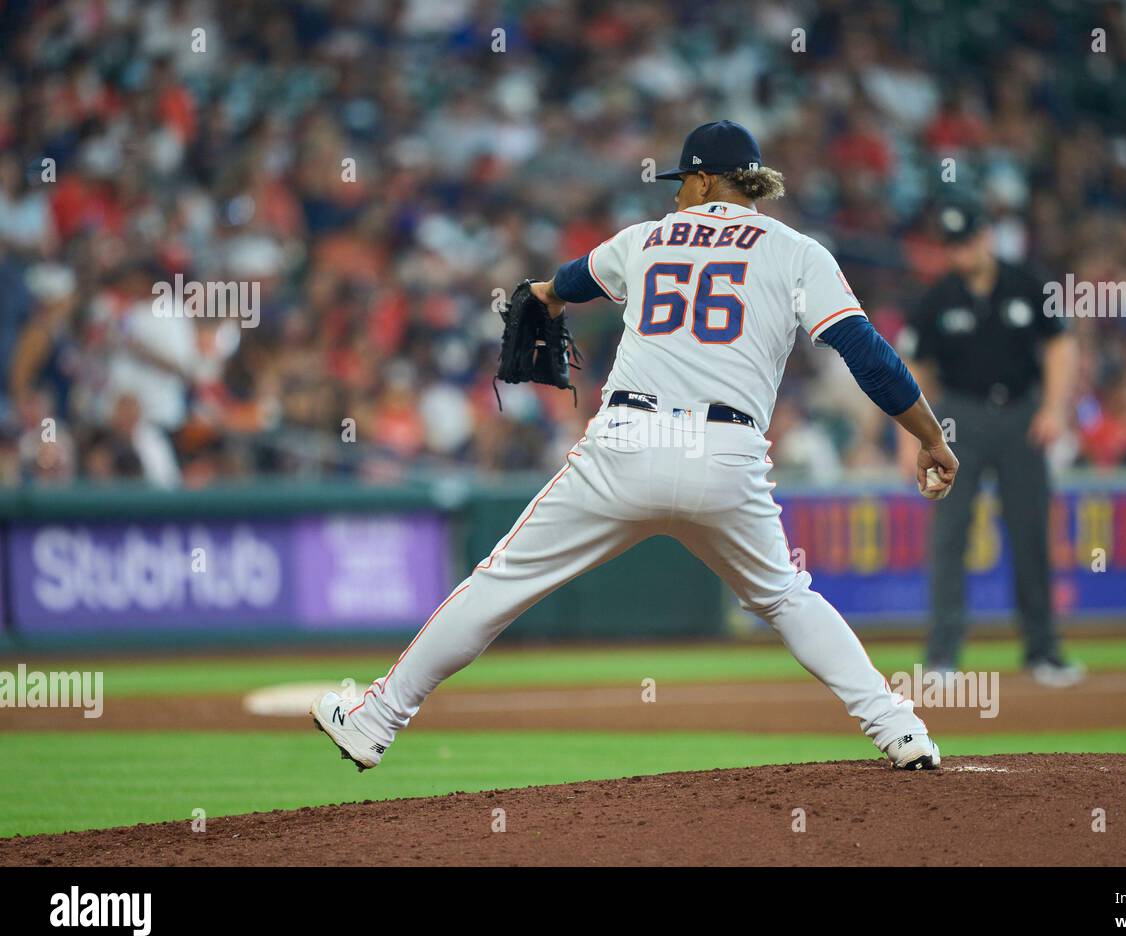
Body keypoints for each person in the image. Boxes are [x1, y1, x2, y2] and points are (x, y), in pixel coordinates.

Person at [311, 121, 959, 772]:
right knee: (787, 598)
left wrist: (545, 297)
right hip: (726, 455)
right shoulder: (798, 252)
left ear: (705, 179)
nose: (678, 196)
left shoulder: (645, 240)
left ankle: (373, 721)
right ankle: (900, 731)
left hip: (626, 446)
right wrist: (929, 437)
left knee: (499, 583)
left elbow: (565, 280)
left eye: (683, 183)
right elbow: (868, 355)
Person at [899, 199, 1084, 687]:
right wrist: (915, 435)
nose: (961, 252)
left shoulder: (1028, 283)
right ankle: (942, 656)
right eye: (952, 245)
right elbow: (913, 368)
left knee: (1030, 533)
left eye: (967, 241)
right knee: (949, 535)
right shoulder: (936, 298)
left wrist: (1054, 408)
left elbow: (1062, 345)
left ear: (987, 237)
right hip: (958, 419)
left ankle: (1042, 650)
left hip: (1023, 415)